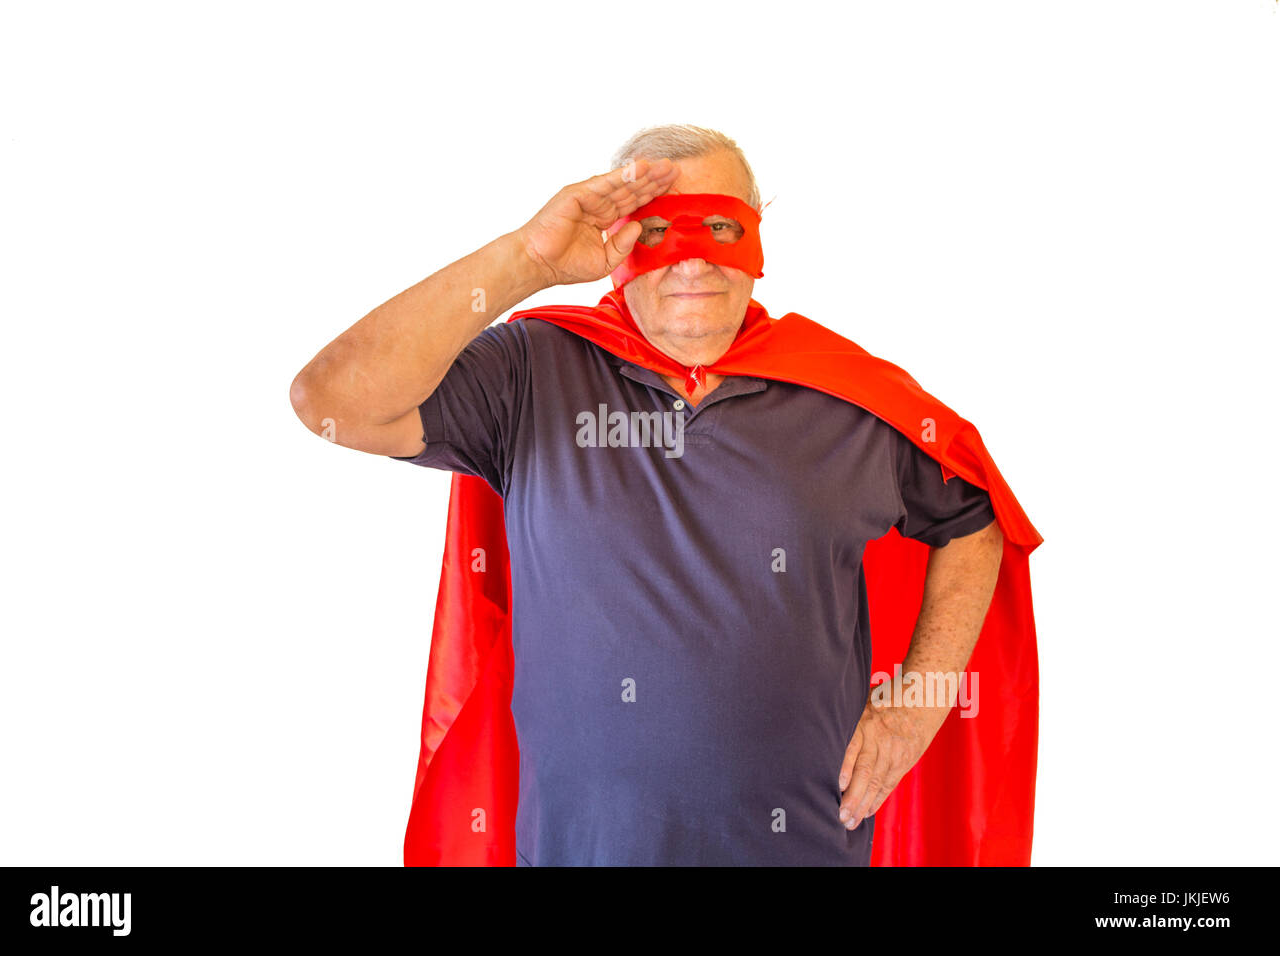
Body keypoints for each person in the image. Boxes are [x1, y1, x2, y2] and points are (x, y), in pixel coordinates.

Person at [289, 125, 1006, 866]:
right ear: (615, 242)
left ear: (758, 240)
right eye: (657, 229)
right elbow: (330, 400)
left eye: (721, 226)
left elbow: (974, 519)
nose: (693, 256)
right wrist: (526, 261)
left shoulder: (852, 399)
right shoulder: (529, 373)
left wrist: (915, 706)